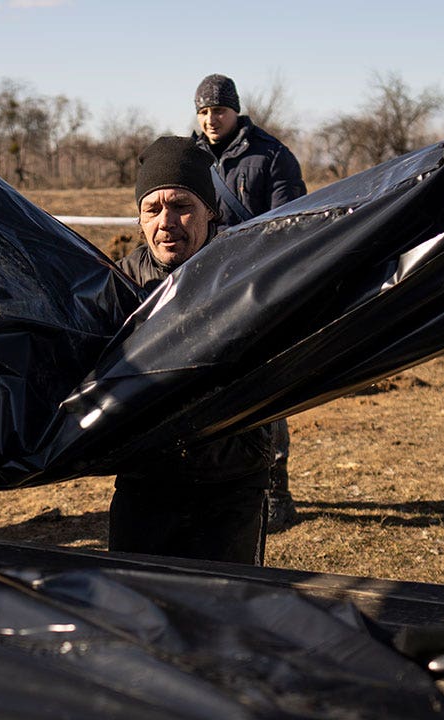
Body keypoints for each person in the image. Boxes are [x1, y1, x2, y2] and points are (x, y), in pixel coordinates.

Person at [109, 135, 275, 565]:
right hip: (144, 482)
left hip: (231, 481)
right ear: (139, 218)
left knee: (228, 612)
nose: (167, 222)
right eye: (152, 209)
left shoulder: (247, 275)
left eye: (182, 206)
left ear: (210, 210)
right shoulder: (117, 285)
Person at [192, 73, 307, 532]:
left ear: (236, 110)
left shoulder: (273, 156)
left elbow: (293, 224)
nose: (210, 120)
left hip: (258, 289)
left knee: (265, 390)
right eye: (202, 112)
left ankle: (275, 490)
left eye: (218, 110)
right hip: (202, 289)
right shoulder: (189, 157)